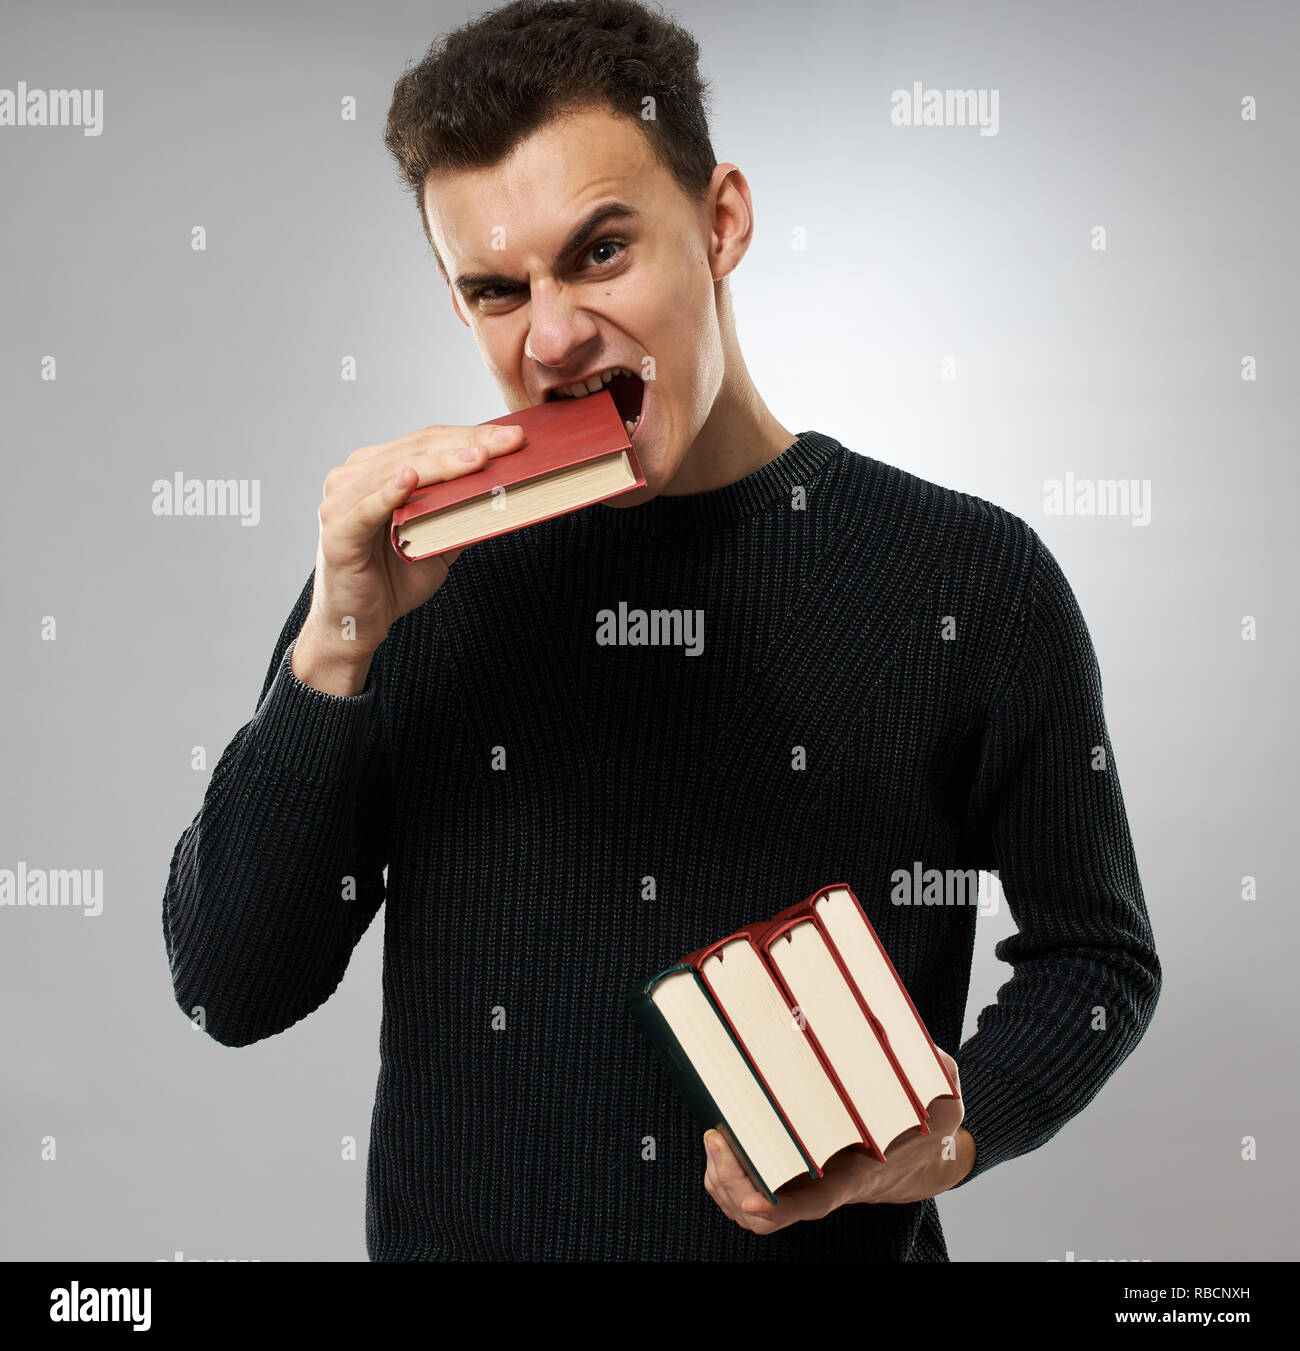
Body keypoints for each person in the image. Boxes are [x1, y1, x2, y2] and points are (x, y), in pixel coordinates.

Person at [162, 0, 1161, 1261]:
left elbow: (1096, 959)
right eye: (494, 289)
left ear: (721, 221)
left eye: (599, 253)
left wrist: (949, 1134)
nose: (555, 336)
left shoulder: (972, 578)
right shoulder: (403, 582)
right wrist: (334, 648)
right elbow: (230, 987)